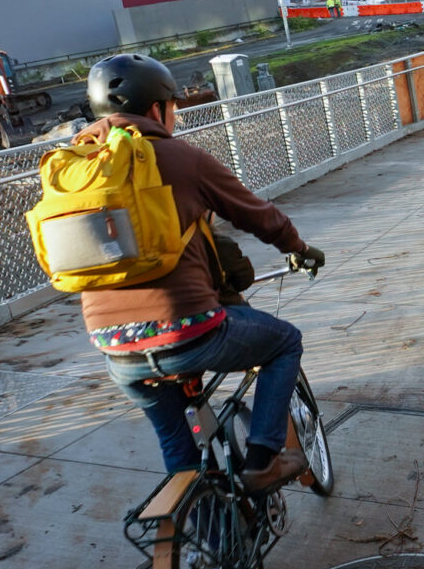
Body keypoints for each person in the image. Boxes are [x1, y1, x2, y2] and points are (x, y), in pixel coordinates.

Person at [76, 53, 324, 492]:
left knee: (180, 452)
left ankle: (208, 551)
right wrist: (298, 248)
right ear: (157, 109)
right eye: (173, 106)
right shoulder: (178, 156)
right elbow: (256, 214)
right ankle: (263, 460)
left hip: (113, 344)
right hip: (186, 329)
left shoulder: (76, 166)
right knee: (284, 341)